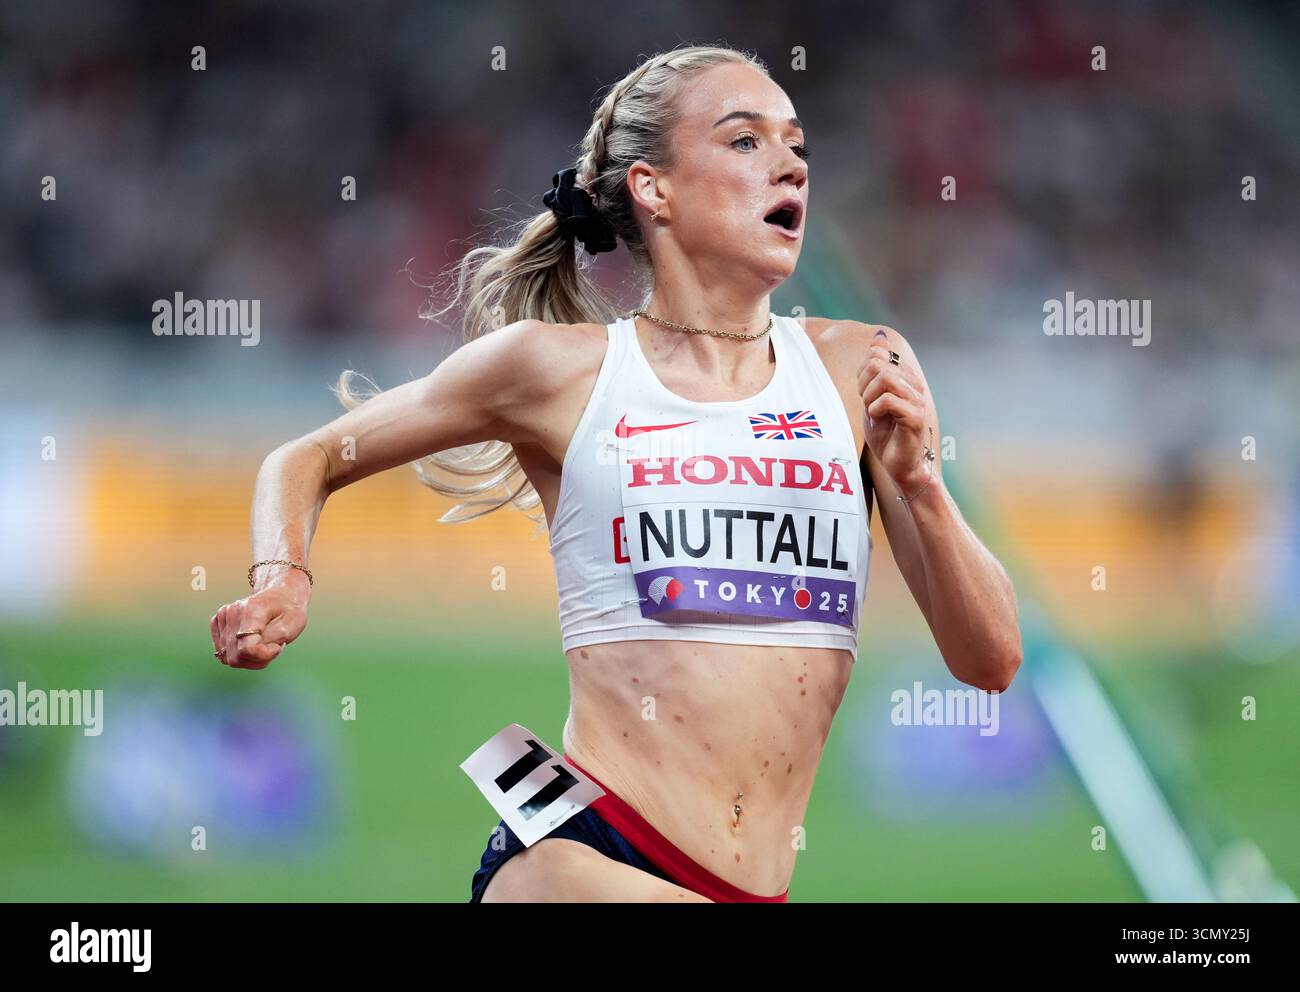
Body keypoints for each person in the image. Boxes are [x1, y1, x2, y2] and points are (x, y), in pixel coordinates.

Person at [208, 43, 1022, 903]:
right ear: (653, 187)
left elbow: (992, 662)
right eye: (745, 141)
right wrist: (282, 579)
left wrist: (925, 489)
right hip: (578, 856)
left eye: (797, 145)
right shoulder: (560, 371)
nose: (789, 165)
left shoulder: (863, 368)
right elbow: (305, 457)